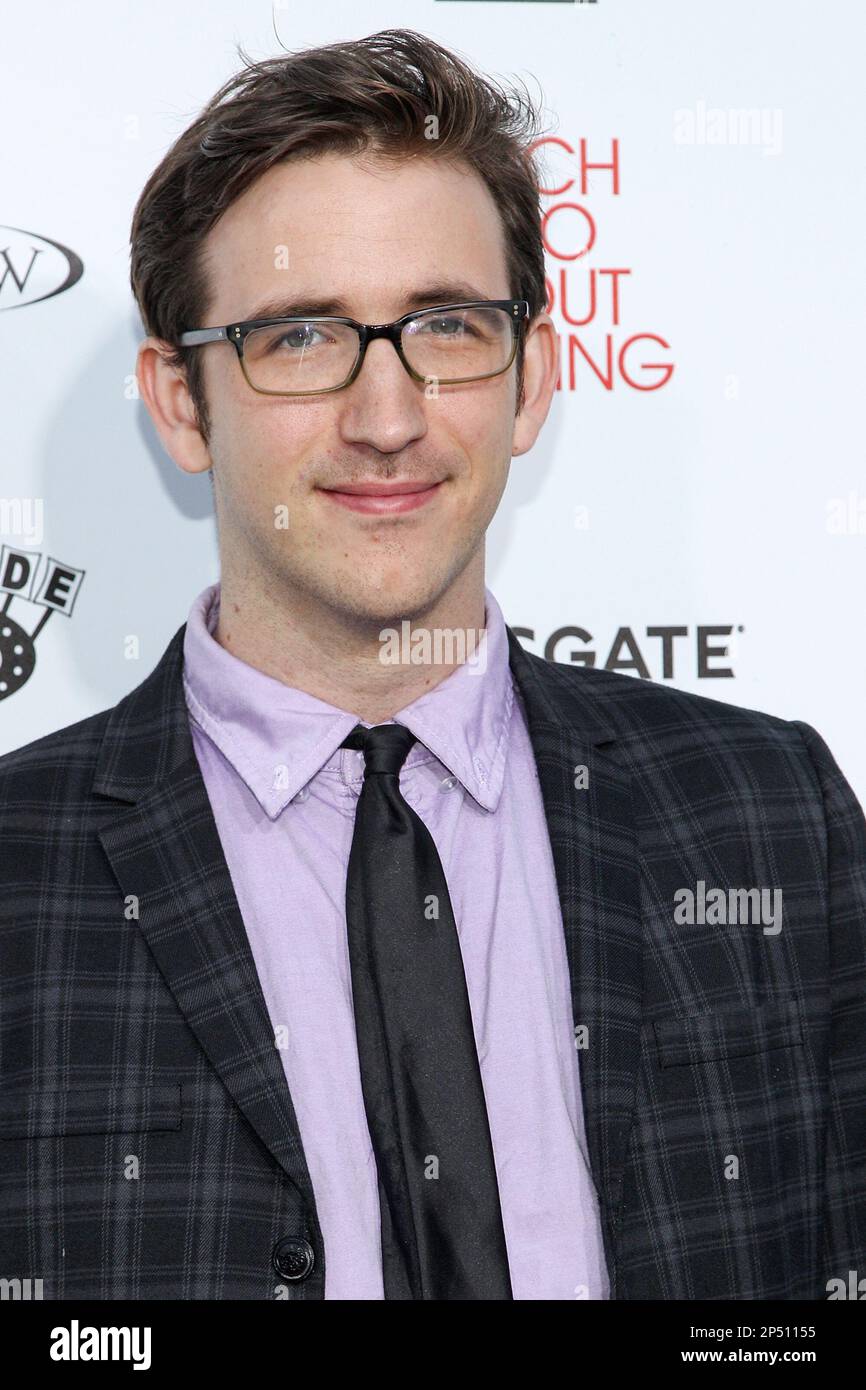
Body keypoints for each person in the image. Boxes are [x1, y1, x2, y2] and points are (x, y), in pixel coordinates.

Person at [0, 27, 863, 1302]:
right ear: (183, 403)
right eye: (298, 337)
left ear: (527, 380)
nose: (388, 416)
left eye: (446, 326)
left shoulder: (767, 812)